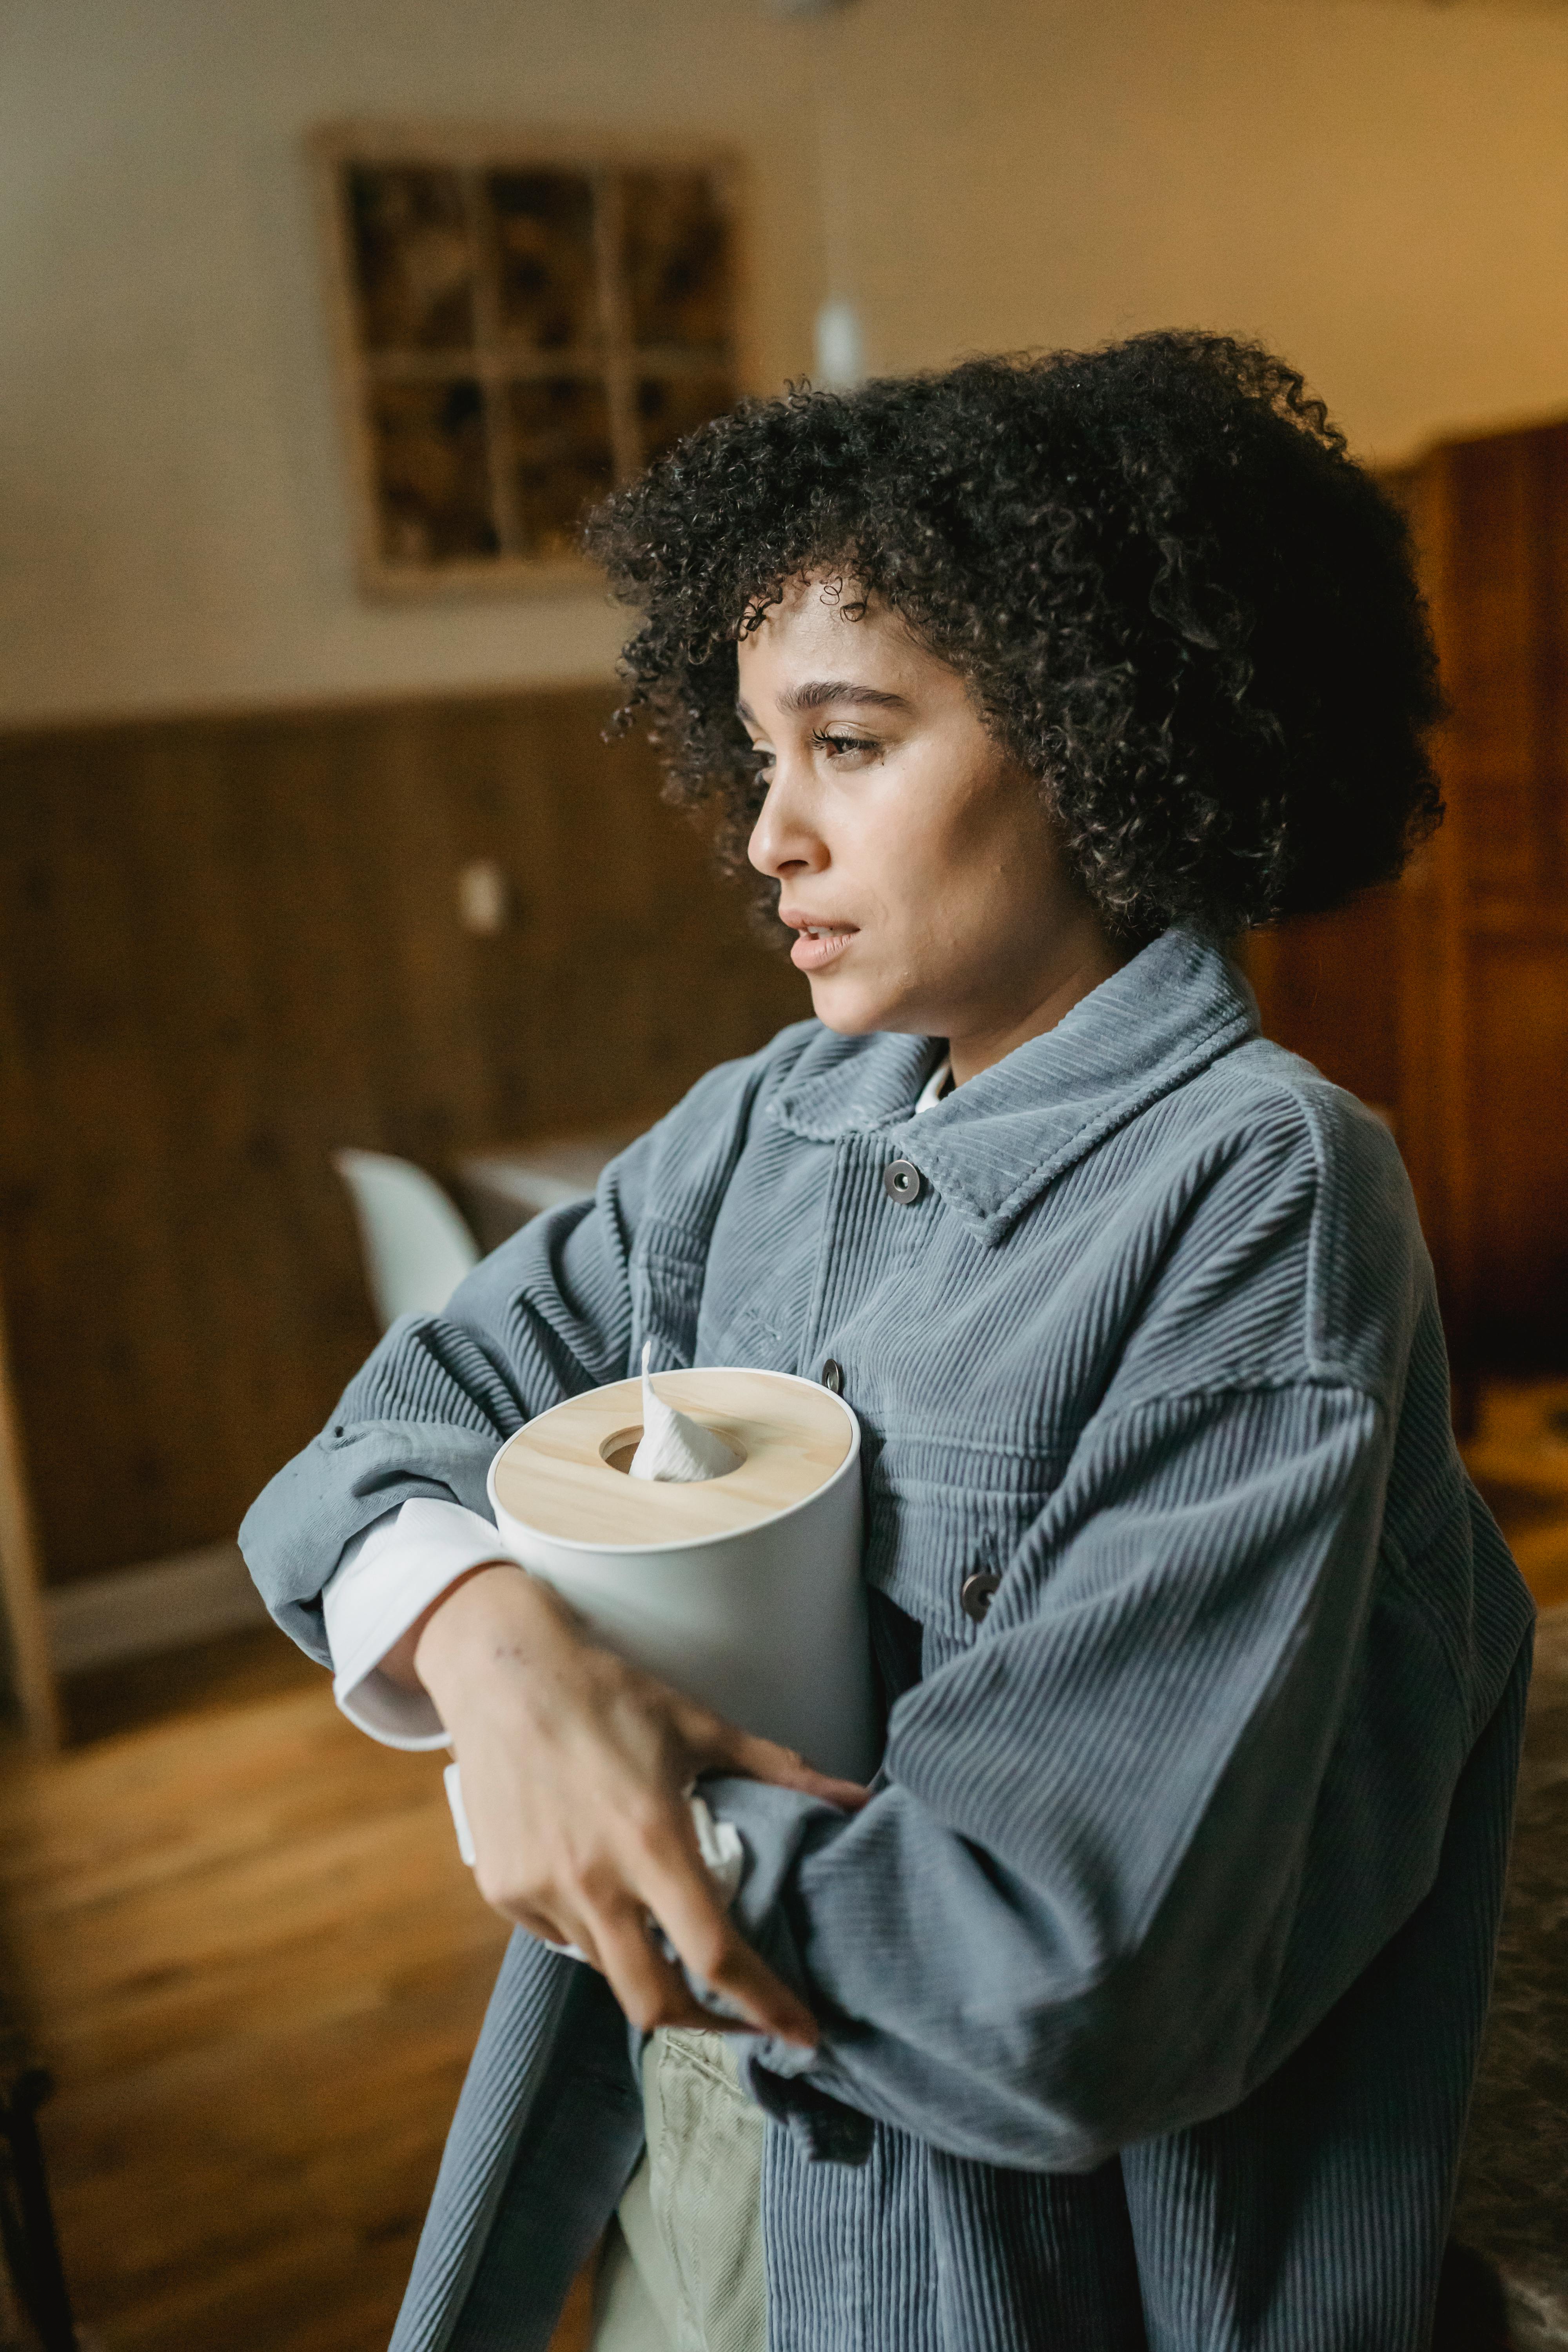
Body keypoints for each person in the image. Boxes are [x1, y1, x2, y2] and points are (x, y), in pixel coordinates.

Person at [240, 332, 1533, 2352]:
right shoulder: (770, 1119)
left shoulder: (1262, 1194)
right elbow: (366, 1447)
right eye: (757, 753)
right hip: (678, 2177)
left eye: (846, 743)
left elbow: (1068, 1994)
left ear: (1113, 747)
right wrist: (503, 1661)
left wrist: (634, 1810)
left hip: (997, 2275)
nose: (768, 833)